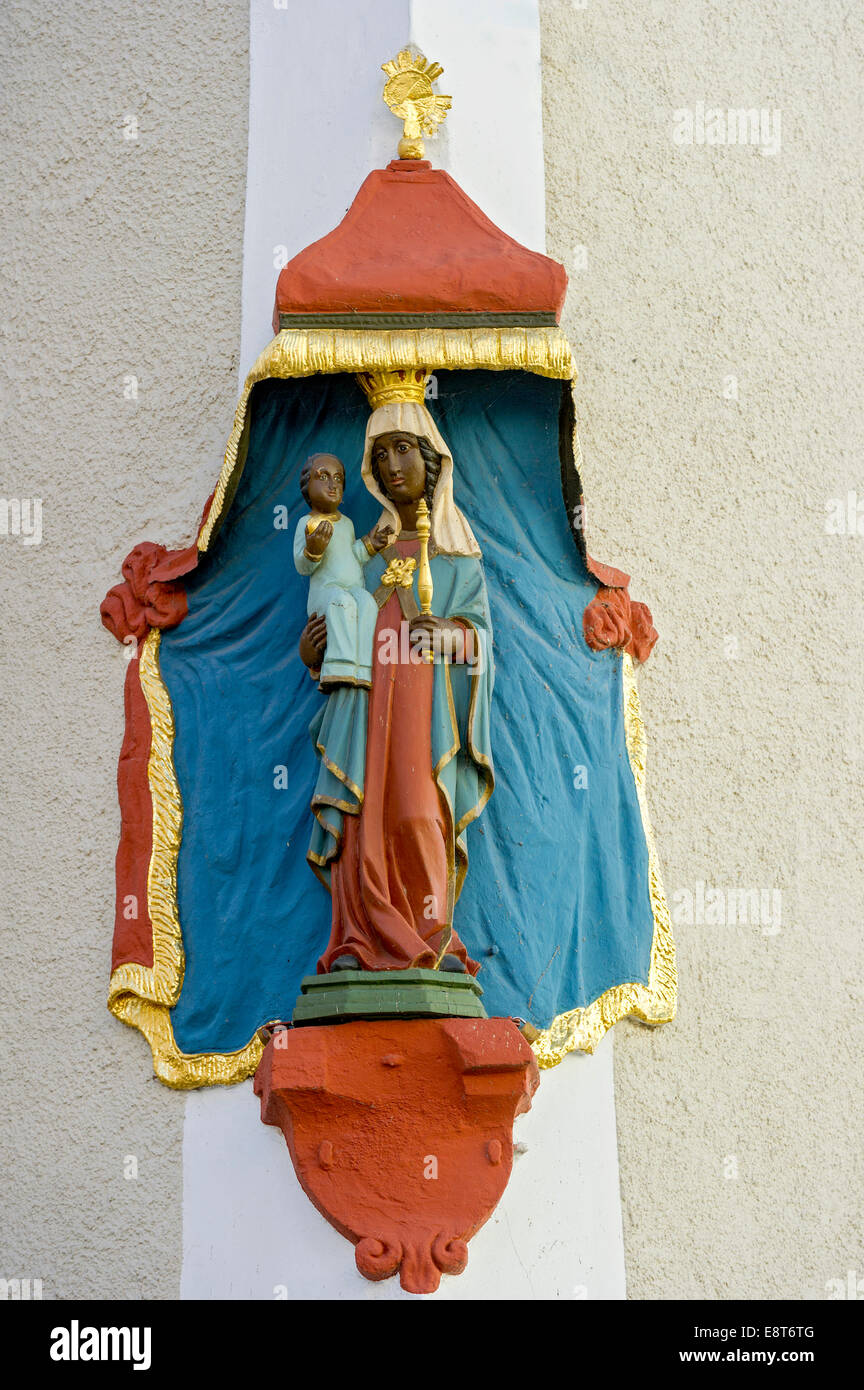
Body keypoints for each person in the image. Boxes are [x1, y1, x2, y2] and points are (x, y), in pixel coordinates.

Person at [299, 393, 494, 976]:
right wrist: (314, 656)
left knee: (416, 810)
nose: (391, 467)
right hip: (364, 702)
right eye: (380, 455)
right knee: (363, 816)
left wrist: (449, 634)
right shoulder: (364, 556)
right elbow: (339, 617)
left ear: (431, 460)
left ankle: (432, 939)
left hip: (423, 708)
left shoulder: (457, 558)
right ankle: (359, 941)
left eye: (403, 450)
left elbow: (480, 641)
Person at [293, 452, 391, 689]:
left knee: (366, 603)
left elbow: (351, 556)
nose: (332, 484)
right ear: (308, 486)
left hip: (352, 589)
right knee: (342, 603)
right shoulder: (307, 523)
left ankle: (362, 666)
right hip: (327, 595)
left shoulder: (346, 523)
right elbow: (302, 567)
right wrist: (313, 550)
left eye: (338, 479)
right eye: (323, 477)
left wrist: (368, 544)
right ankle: (339, 666)